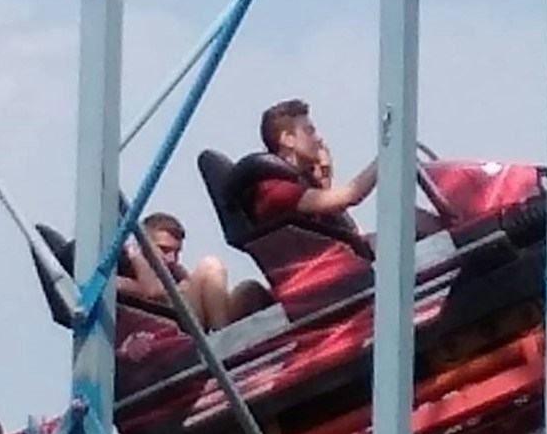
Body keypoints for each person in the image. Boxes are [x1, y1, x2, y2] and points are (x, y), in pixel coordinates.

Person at [121, 211, 268, 337]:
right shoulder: (124, 263)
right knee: (210, 266)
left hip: (188, 319)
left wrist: (182, 284)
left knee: (250, 289)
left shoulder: (174, 270)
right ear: (143, 244)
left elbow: (188, 288)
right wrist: (137, 256)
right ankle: (223, 337)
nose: (172, 259)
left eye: (177, 252)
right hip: (168, 328)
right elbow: (153, 292)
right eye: (164, 250)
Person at [261, 101, 380, 233]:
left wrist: (324, 171)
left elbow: (330, 210)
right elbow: (351, 195)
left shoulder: (302, 185)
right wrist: (385, 158)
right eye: (309, 131)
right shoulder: (275, 189)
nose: (318, 139)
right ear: (288, 139)